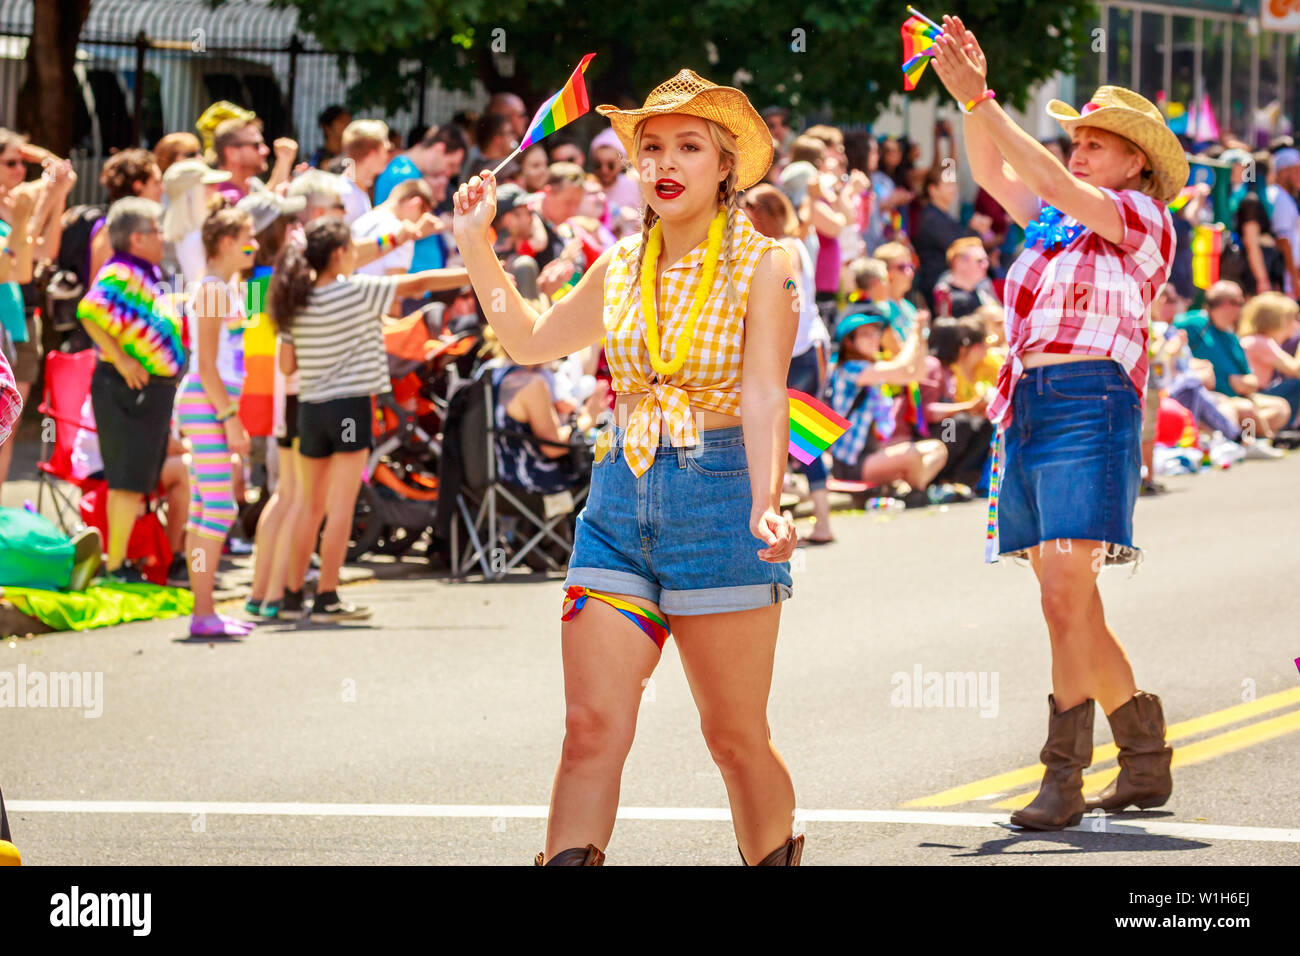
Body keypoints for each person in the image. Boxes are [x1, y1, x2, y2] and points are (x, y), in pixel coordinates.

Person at [454, 68, 803, 867]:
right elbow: (533, 343)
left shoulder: (766, 263)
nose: (665, 162)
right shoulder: (620, 262)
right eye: (650, 148)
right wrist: (477, 246)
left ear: (725, 166)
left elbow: (763, 395)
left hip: (718, 498)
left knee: (735, 739)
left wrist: (767, 502)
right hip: (618, 497)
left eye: (689, 146)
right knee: (589, 731)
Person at [932, 16, 1183, 830]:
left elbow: (1050, 179)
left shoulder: (1141, 217)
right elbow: (996, 170)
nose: (1078, 153)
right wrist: (969, 98)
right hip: (1032, 406)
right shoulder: (1054, 223)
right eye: (1075, 141)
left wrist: (986, 96)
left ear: (1135, 163)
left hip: (1092, 402)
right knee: (1066, 600)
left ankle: (1063, 778)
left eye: (1096, 144)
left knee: (1067, 597)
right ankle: (1144, 759)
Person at [268, 218, 470, 622]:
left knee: (310, 506)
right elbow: (417, 284)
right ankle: (327, 596)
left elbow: (287, 363)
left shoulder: (296, 299)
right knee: (340, 506)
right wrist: (477, 269)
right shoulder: (356, 291)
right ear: (340, 254)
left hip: (311, 408)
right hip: (350, 406)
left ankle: (291, 597)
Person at [76, 198, 185, 581]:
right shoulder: (122, 272)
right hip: (126, 390)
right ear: (137, 237)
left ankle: (124, 561)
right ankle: (117, 565)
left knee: (135, 480)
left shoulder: (142, 273)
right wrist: (121, 359)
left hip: (147, 391)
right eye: (156, 230)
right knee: (125, 481)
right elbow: (90, 309)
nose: (162, 237)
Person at [173, 200, 257, 636]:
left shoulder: (226, 286)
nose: (255, 245)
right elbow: (206, 366)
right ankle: (203, 613)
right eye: (247, 239)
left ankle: (203, 611)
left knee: (207, 509)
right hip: (208, 404)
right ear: (227, 242)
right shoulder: (211, 289)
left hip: (213, 404)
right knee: (219, 509)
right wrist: (230, 418)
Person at [741, 183, 835, 543]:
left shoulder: (784, 249)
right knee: (801, 438)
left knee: (799, 439)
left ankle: (816, 520)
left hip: (796, 354)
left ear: (767, 211)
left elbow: (787, 286)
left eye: (749, 205)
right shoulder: (791, 244)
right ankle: (813, 517)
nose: (743, 211)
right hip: (801, 351)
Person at [827, 307, 947, 493]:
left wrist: (921, 337)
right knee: (912, 454)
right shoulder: (848, 369)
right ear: (849, 342)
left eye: (875, 333)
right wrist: (915, 331)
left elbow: (916, 374)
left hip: (874, 452)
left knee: (938, 448)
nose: (874, 338)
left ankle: (908, 486)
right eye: (866, 335)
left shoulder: (871, 368)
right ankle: (915, 490)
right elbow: (902, 368)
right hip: (851, 464)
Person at [1175, 280, 1292, 440]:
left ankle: (1243, 434)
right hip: (1211, 398)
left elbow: (1252, 379)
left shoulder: (1232, 337)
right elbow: (1172, 351)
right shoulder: (1192, 324)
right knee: (1246, 411)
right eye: (1240, 302)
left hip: (1240, 396)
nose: (1242, 308)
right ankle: (1253, 439)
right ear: (1226, 304)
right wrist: (1196, 367)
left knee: (1281, 409)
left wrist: (1243, 383)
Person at [1238, 291, 1300, 429]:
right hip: (1254, 394)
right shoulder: (1262, 342)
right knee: (1297, 385)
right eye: (1292, 319)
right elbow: (1296, 371)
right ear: (1277, 319)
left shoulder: (1257, 339)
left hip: (1254, 393)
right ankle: (1286, 428)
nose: (1296, 324)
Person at [931, 236, 998, 318]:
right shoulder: (949, 297)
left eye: (987, 260)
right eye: (980, 261)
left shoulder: (983, 289)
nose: (986, 265)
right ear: (959, 263)